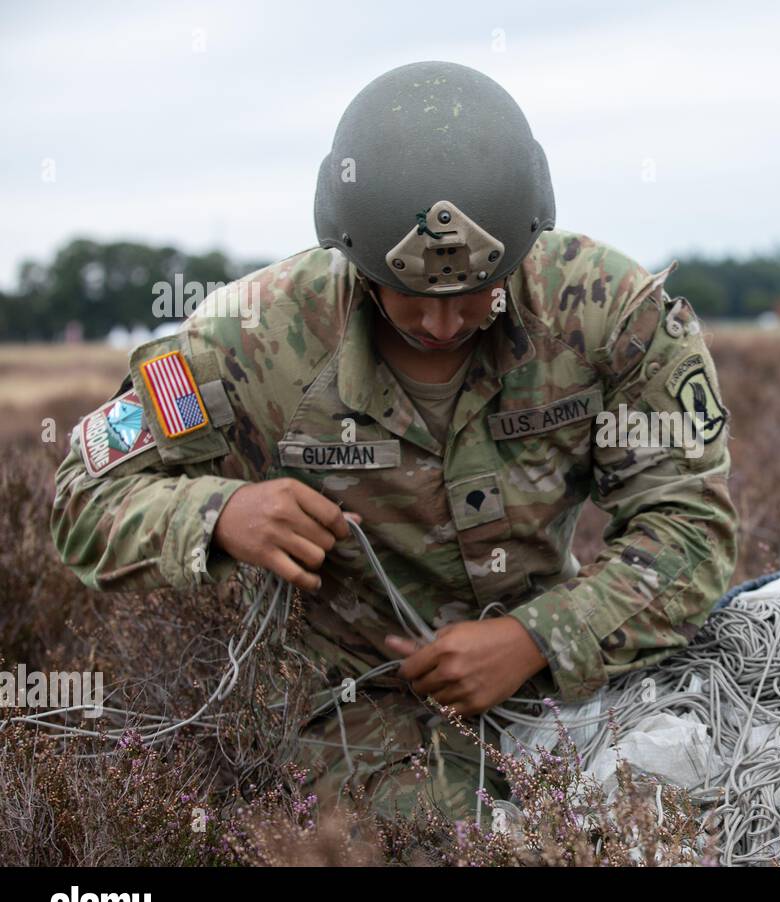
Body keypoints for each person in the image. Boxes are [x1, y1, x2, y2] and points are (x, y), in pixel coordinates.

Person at [49, 61, 739, 822]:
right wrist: (222, 514)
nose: (442, 326)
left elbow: (691, 528)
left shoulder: (608, 314)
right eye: (412, 298)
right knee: (455, 833)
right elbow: (86, 503)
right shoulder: (250, 338)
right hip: (348, 705)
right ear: (356, 259)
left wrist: (535, 638)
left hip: (559, 672)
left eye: (476, 294)